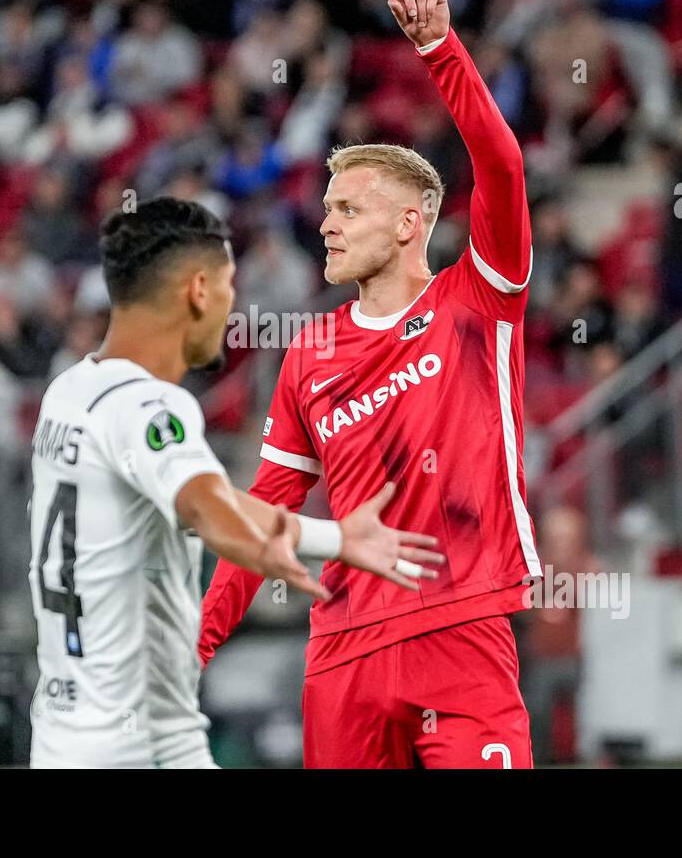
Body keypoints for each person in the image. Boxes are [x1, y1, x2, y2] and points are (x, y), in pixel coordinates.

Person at [198, 0, 542, 768]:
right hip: (341, 654)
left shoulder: (478, 297)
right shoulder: (308, 353)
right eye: (325, 209)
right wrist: (196, 644)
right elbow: (265, 515)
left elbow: (502, 164)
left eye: (349, 208)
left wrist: (439, 52)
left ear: (411, 223)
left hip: (459, 633)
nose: (327, 224)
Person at [27, 196, 442, 768]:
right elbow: (207, 507)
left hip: (69, 733)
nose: (234, 307)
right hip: (133, 744)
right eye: (228, 286)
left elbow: (207, 504)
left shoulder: (67, 394)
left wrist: (337, 540)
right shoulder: (151, 409)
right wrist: (281, 546)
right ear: (197, 290)